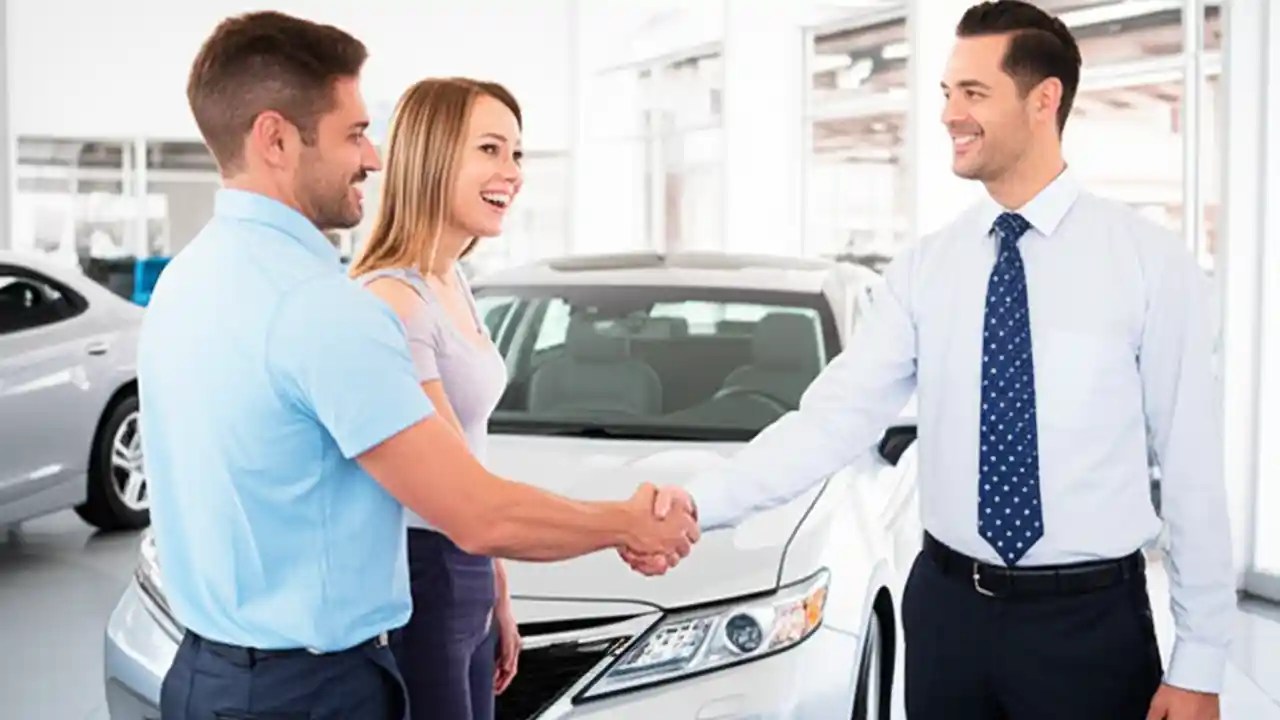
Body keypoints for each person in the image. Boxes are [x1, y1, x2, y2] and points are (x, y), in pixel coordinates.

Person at [633, 2, 1234, 719]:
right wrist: (705, 500)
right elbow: (834, 419)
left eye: (973, 93)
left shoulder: (1147, 262)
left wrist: (1200, 663)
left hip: (1090, 627)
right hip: (950, 617)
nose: (950, 114)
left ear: (1044, 100)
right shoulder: (925, 268)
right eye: (947, 93)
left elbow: (1192, 464)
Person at [139, 12, 699, 720]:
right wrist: (627, 521)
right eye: (354, 134)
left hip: (204, 677)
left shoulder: (186, 280)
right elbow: (471, 511)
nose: (375, 158)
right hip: (309, 693)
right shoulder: (328, 309)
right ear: (275, 139)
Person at [347, 77, 526, 720]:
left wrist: (497, 585)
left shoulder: (452, 279)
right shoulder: (393, 299)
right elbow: (452, 479)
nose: (511, 171)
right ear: (433, 157)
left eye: (517, 153)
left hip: (465, 561)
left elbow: (472, 457)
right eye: (490, 149)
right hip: (424, 570)